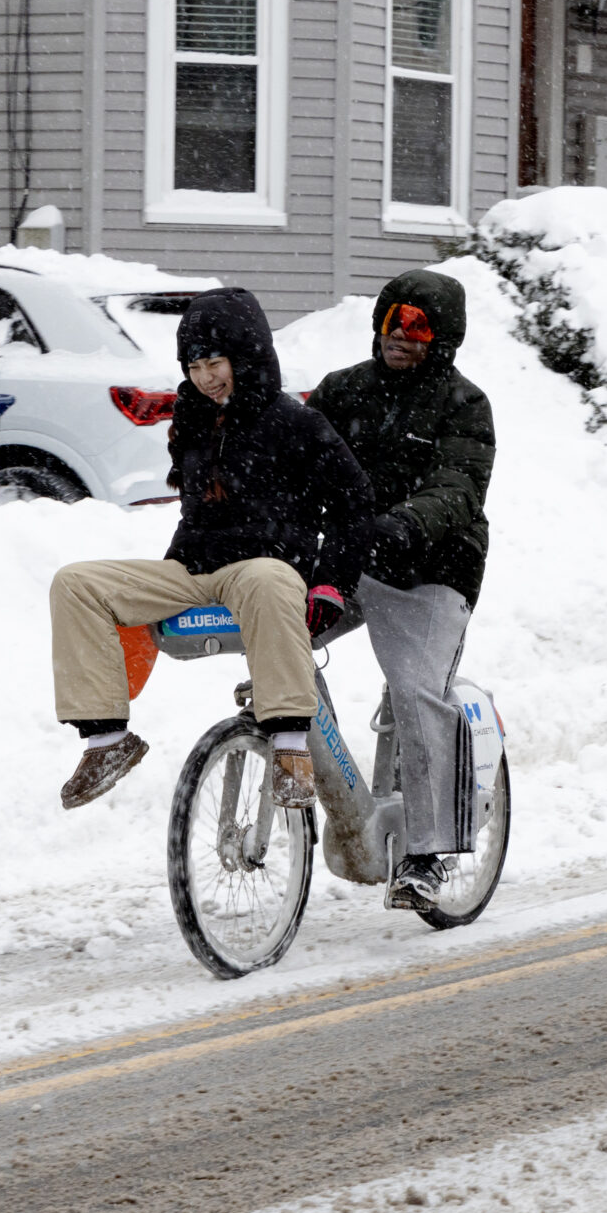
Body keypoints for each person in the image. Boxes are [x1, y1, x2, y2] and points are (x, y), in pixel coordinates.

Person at [50, 287, 371, 811]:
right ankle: (107, 740)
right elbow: (196, 508)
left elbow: (354, 503)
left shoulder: (296, 422)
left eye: (214, 362)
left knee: (266, 580)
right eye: (194, 365)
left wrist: (331, 581)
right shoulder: (193, 422)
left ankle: (291, 747)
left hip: (267, 566)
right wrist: (176, 564)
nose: (205, 376)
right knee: (77, 583)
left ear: (245, 357)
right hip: (196, 569)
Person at [308, 270, 495, 909]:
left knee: (416, 691)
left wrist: (407, 524)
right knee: (274, 625)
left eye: (416, 326)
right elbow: (296, 462)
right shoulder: (341, 392)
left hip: (432, 565)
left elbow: (459, 487)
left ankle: (427, 854)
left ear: (441, 339)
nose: (399, 335)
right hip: (352, 555)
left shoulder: (464, 405)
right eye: (392, 319)